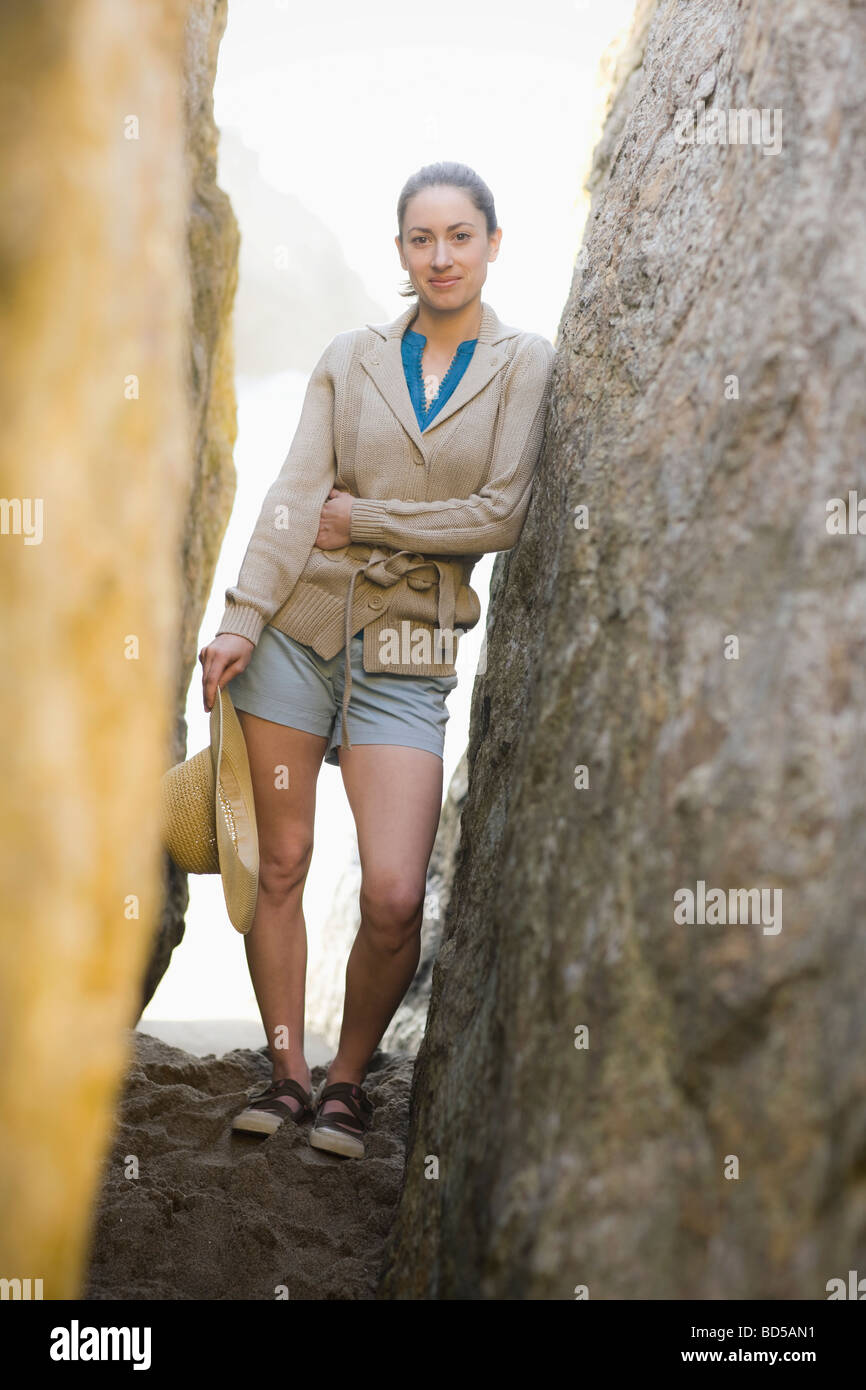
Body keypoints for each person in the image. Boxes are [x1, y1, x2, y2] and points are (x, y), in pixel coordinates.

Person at [199, 160, 555, 1158]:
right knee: (281, 861)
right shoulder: (347, 357)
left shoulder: (521, 362)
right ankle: (287, 1075)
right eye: (420, 238)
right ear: (399, 251)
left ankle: (348, 1080)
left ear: (491, 243)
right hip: (295, 635)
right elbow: (290, 493)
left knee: (395, 891)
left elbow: (499, 514)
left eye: (458, 236)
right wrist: (240, 615)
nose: (439, 255)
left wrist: (364, 519)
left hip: (407, 650)